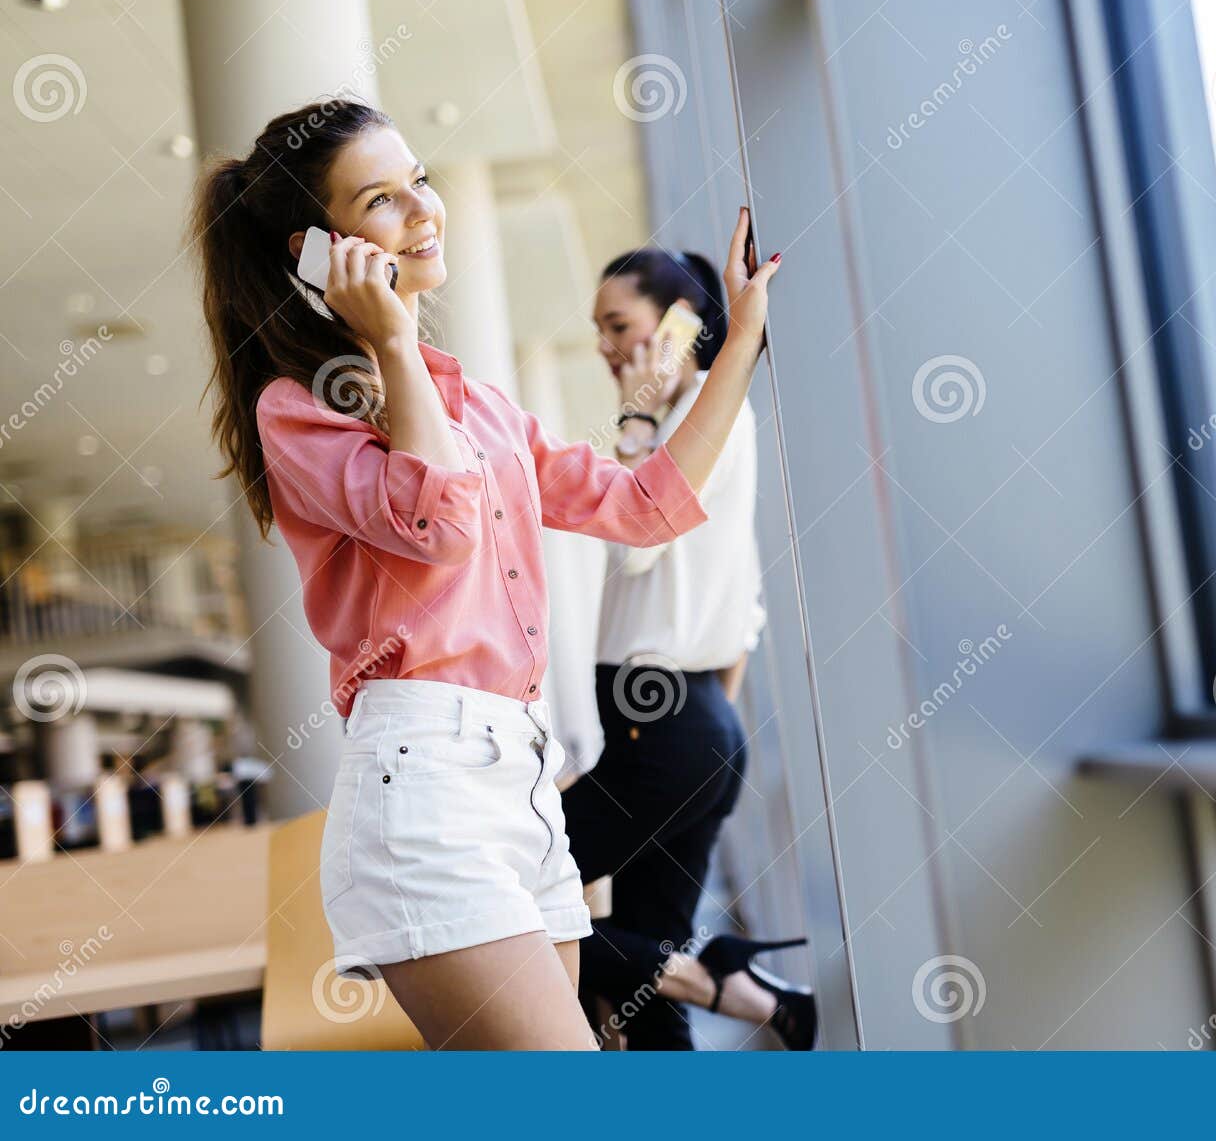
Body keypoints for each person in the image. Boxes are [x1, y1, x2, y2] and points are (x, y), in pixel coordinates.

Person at [190, 99, 779, 1050]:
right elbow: (441, 519)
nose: (425, 210)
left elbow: (645, 505)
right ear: (319, 250)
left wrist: (741, 339)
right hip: (422, 786)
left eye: (420, 179)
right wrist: (386, 338)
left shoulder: (477, 403)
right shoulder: (300, 410)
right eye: (383, 200)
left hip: (522, 777)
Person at [560, 247, 814, 1050]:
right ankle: (708, 981)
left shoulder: (689, 420)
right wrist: (706, 740)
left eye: (620, 325)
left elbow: (638, 541)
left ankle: (718, 978)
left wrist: (638, 416)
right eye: (599, 329)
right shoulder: (714, 415)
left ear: (680, 327)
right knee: (642, 991)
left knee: (512, 900)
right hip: (693, 727)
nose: (606, 345)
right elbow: (747, 612)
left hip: (669, 729)